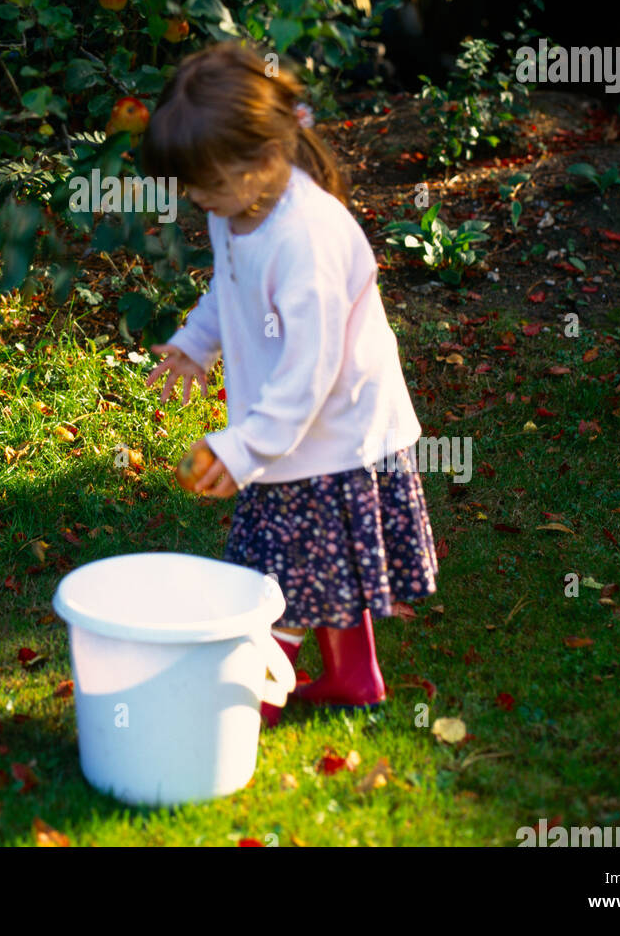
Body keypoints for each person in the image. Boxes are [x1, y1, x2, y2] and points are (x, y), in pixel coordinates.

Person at [142, 41, 437, 726]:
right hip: (293, 427)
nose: (196, 199)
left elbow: (311, 372)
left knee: (277, 573)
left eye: (205, 183)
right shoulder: (235, 210)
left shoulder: (307, 240)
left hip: (335, 430)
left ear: (264, 159)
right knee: (320, 564)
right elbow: (229, 285)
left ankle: (249, 700)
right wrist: (195, 343)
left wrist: (242, 449)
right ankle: (353, 677)